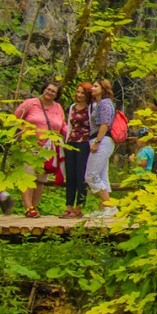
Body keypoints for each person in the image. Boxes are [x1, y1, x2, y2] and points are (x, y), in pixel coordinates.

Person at [13, 78, 65, 217]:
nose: (50, 92)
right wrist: (20, 133)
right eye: (48, 89)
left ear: (57, 95)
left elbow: (62, 125)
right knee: (28, 175)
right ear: (43, 89)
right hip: (29, 144)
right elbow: (16, 119)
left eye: (53, 91)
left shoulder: (58, 108)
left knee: (41, 179)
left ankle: (34, 207)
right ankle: (28, 207)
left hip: (48, 147)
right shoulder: (30, 103)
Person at [84, 78, 119, 218]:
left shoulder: (105, 103)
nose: (92, 88)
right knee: (102, 175)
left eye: (96, 86)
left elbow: (105, 124)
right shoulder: (97, 104)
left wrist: (97, 141)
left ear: (103, 89)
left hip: (102, 140)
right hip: (100, 139)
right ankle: (104, 208)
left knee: (91, 176)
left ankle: (110, 205)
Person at [63, 83, 92, 216]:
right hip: (71, 142)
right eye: (78, 92)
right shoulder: (72, 107)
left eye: (82, 93)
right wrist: (66, 142)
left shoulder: (91, 108)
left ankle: (79, 207)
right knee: (70, 175)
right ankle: (68, 206)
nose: (79, 95)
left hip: (84, 143)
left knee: (81, 175)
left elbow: (92, 126)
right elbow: (69, 125)